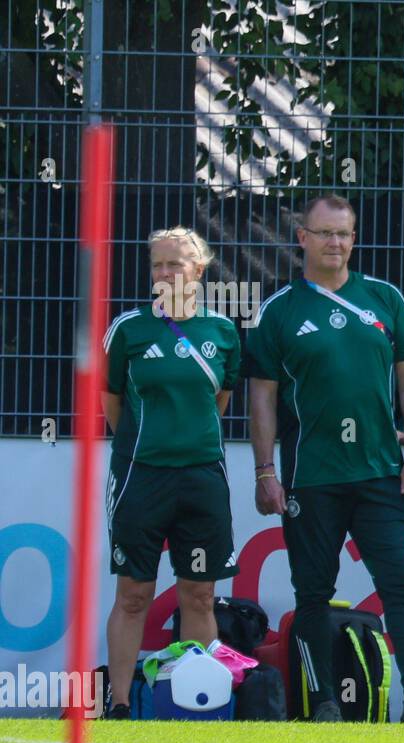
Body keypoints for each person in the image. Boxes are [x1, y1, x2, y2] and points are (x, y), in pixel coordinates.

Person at [244, 194, 404, 723]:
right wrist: (265, 471)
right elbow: (260, 395)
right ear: (302, 237)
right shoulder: (279, 310)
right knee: (312, 593)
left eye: (344, 234)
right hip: (311, 477)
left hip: (380, 471)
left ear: (354, 238)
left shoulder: (385, 298)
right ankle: (323, 702)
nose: (336, 243)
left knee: (400, 582)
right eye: (325, 233)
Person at [101, 227, 241, 718]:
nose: (164, 273)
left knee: (200, 595)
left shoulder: (222, 331)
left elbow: (218, 401)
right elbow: (113, 403)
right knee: (134, 593)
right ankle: (119, 702)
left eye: (175, 264)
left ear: (198, 270)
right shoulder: (128, 330)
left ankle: (196, 704)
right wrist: (147, 447)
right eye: (157, 264)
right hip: (141, 477)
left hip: (202, 476)